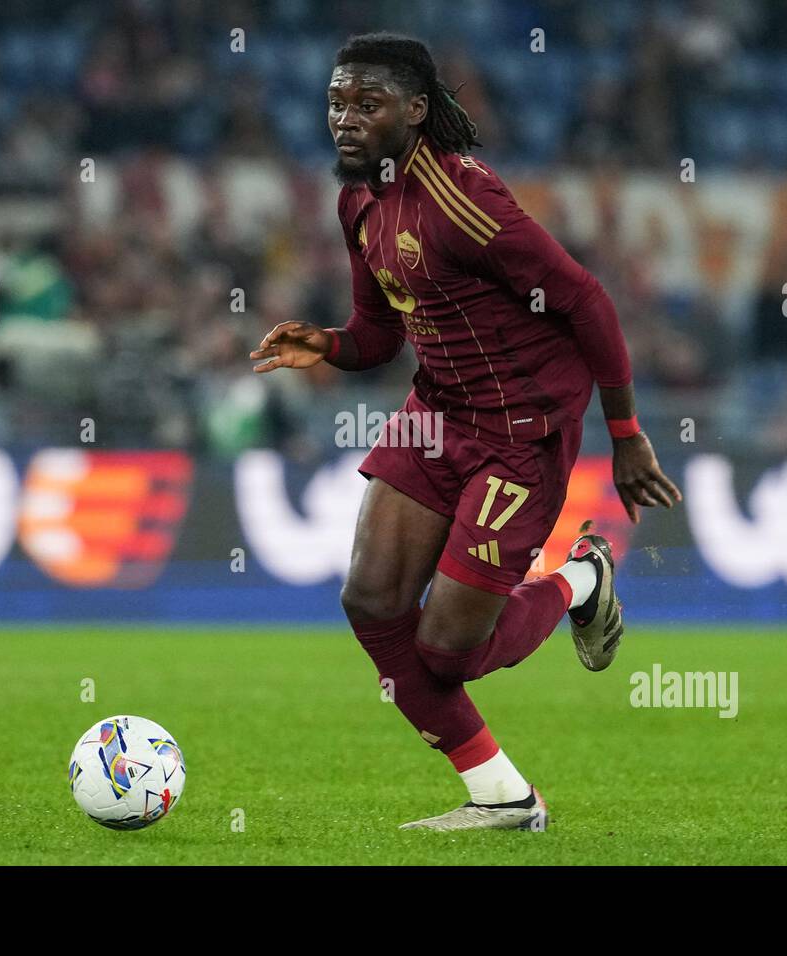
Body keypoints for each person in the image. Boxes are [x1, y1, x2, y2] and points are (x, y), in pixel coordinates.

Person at [249, 33, 680, 831]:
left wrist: (626, 434)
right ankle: (503, 798)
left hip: (522, 430)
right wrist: (329, 345)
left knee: (447, 653)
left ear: (415, 112)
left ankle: (581, 581)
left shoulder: (464, 199)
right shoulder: (357, 202)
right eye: (337, 102)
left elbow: (585, 300)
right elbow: (378, 334)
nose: (345, 119)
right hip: (435, 416)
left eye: (367, 104)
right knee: (370, 600)